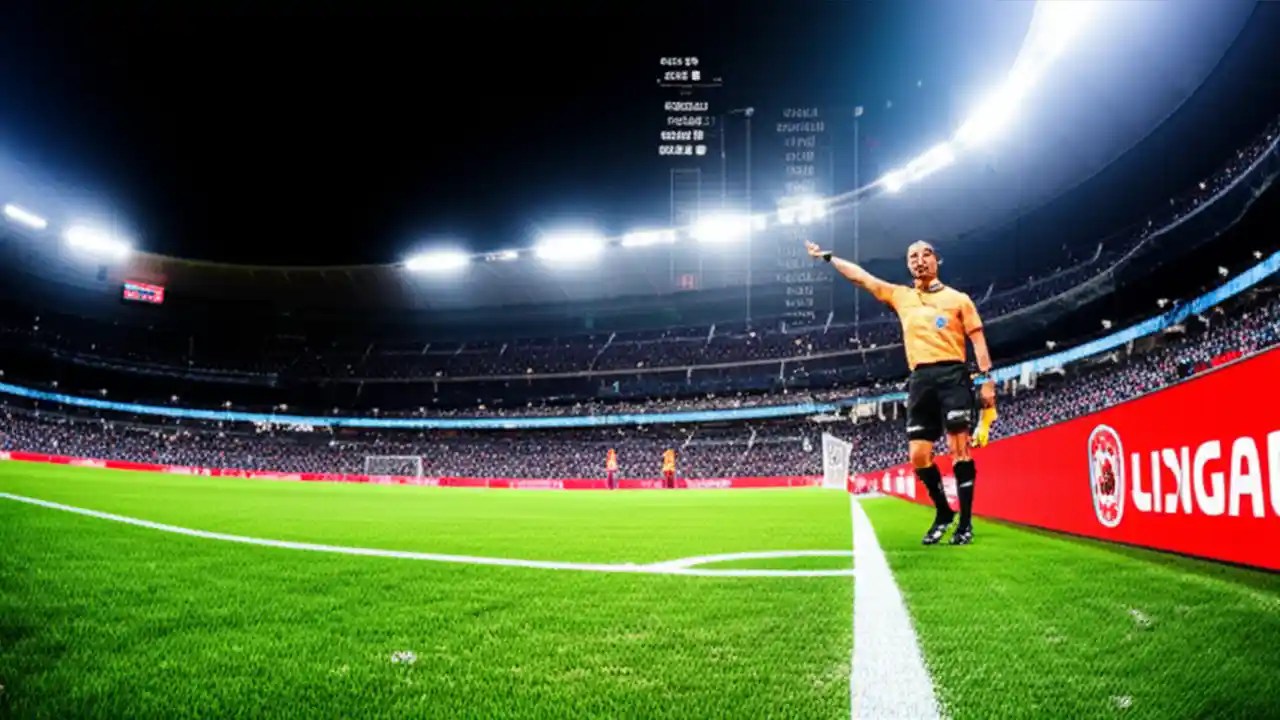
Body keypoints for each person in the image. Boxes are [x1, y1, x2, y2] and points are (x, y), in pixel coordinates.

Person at [806, 238, 996, 545]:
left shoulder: (958, 299)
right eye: (913, 256)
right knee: (918, 456)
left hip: (953, 375)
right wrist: (829, 258)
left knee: (959, 449)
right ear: (908, 264)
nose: (920, 260)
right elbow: (863, 278)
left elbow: (977, 339)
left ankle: (965, 523)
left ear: (936, 260)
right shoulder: (901, 296)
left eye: (926, 254)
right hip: (920, 378)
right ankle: (944, 512)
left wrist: (986, 379)